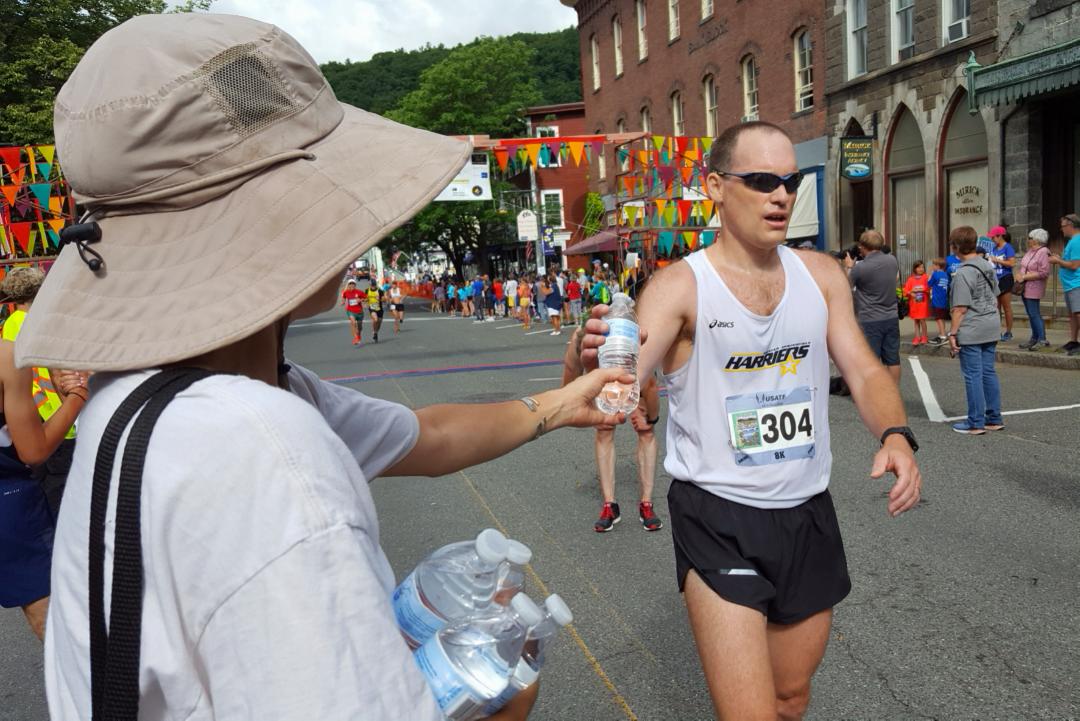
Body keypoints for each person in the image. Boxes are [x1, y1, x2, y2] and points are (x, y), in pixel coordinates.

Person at [19, 14, 634, 720]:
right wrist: (501, 688)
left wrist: (563, 403)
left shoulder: (146, 392)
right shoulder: (259, 443)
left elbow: (426, 436)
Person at [579, 121, 922, 721]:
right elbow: (611, 389)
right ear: (715, 186)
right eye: (762, 180)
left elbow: (865, 371)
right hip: (718, 515)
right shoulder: (680, 287)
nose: (781, 195)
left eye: (789, 181)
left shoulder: (822, 275)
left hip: (807, 512)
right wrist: (585, 361)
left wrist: (896, 435)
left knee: (790, 699)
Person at [0, 268, 88, 642]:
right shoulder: (14, 348)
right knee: (50, 609)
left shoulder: (10, 330)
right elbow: (33, 450)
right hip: (25, 469)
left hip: (33, 437)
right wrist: (78, 396)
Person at [947, 226, 1004, 435]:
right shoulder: (986, 264)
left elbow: (960, 308)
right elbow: (995, 293)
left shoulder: (963, 272)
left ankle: (975, 421)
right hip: (991, 323)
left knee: (973, 375)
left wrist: (953, 333)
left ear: (956, 246)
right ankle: (994, 418)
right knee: (988, 372)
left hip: (972, 327)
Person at [845, 229, 902, 383]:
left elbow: (846, 286)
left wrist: (849, 267)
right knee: (893, 359)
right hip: (891, 317)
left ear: (863, 246)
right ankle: (893, 391)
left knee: (871, 360)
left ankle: (874, 391)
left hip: (870, 319)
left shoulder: (861, 268)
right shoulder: (892, 260)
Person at [1049, 213, 1080, 355]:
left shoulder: (1077, 241)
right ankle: (1073, 341)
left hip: (1076, 283)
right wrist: (1060, 259)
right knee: (1072, 314)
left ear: (1070, 225)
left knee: (1078, 313)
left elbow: (1074, 265)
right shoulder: (1072, 241)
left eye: (1063, 226)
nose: (1061, 229)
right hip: (1070, 284)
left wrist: (1057, 261)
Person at [1016, 229, 1051, 351]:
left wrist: (1025, 276)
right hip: (1024, 286)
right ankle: (1034, 337)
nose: (1028, 240)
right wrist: (1019, 275)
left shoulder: (1043, 252)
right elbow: (1024, 266)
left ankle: (1042, 339)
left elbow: (1044, 272)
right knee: (1030, 314)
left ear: (1036, 240)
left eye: (1030, 238)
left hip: (1034, 286)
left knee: (1034, 313)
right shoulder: (1031, 251)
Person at [986, 225, 1016, 341]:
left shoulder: (1008, 247)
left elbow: (1012, 263)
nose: (992, 240)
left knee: (1006, 307)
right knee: (996, 307)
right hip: (995, 279)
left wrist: (997, 260)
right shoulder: (993, 248)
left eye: (993, 237)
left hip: (1005, 278)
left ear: (1000, 236)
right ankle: (996, 331)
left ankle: (1008, 332)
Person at [902, 260, 930, 345]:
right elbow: (905, 290)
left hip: (923, 303)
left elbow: (929, 288)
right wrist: (911, 292)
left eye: (922, 267)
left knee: (922, 320)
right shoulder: (911, 279)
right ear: (915, 269)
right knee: (916, 320)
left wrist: (923, 289)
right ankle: (917, 337)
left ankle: (924, 336)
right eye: (918, 267)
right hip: (914, 303)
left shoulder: (926, 277)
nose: (921, 269)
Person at [928, 258, 950, 345]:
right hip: (944, 300)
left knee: (939, 318)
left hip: (936, 300)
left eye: (933, 265)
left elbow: (929, 284)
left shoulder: (935, 274)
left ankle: (943, 336)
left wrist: (930, 274)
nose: (932, 266)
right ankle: (942, 334)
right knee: (942, 318)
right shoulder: (945, 274)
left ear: (937, 266)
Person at [340, 279, 365, 345]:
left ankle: (359, 335)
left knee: (359, 327)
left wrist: (361, 300)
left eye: (353, 284)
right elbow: (344, 298)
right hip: (350, 311)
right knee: (353, 323)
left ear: (355, 285)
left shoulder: (359, 292)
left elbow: (365, 298)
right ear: (348, 285)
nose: (351, 285)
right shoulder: (346, 292)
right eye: (350, 284)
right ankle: (355, 338)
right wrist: (343, 302)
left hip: (359, 311)